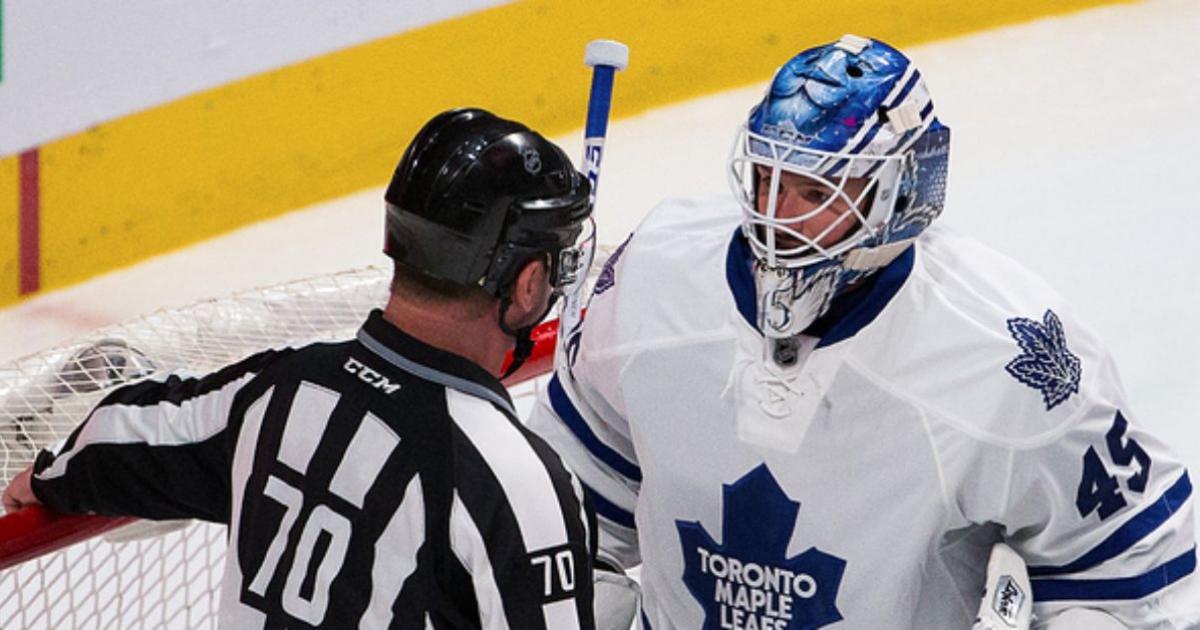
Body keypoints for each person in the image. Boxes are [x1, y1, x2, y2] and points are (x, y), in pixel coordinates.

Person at [529, 35, 1200, 628]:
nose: (774, 221)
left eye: (816, 195)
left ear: (904, 197)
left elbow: (1134, 570)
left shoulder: (1009, 352)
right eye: (766, 180)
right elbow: (571, 499)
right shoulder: (655, 272)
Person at [2, 108, 599, 629]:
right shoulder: (515, 480)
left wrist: (51, 477)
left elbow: (125, 436)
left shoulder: (275, 392)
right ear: (526, 286)